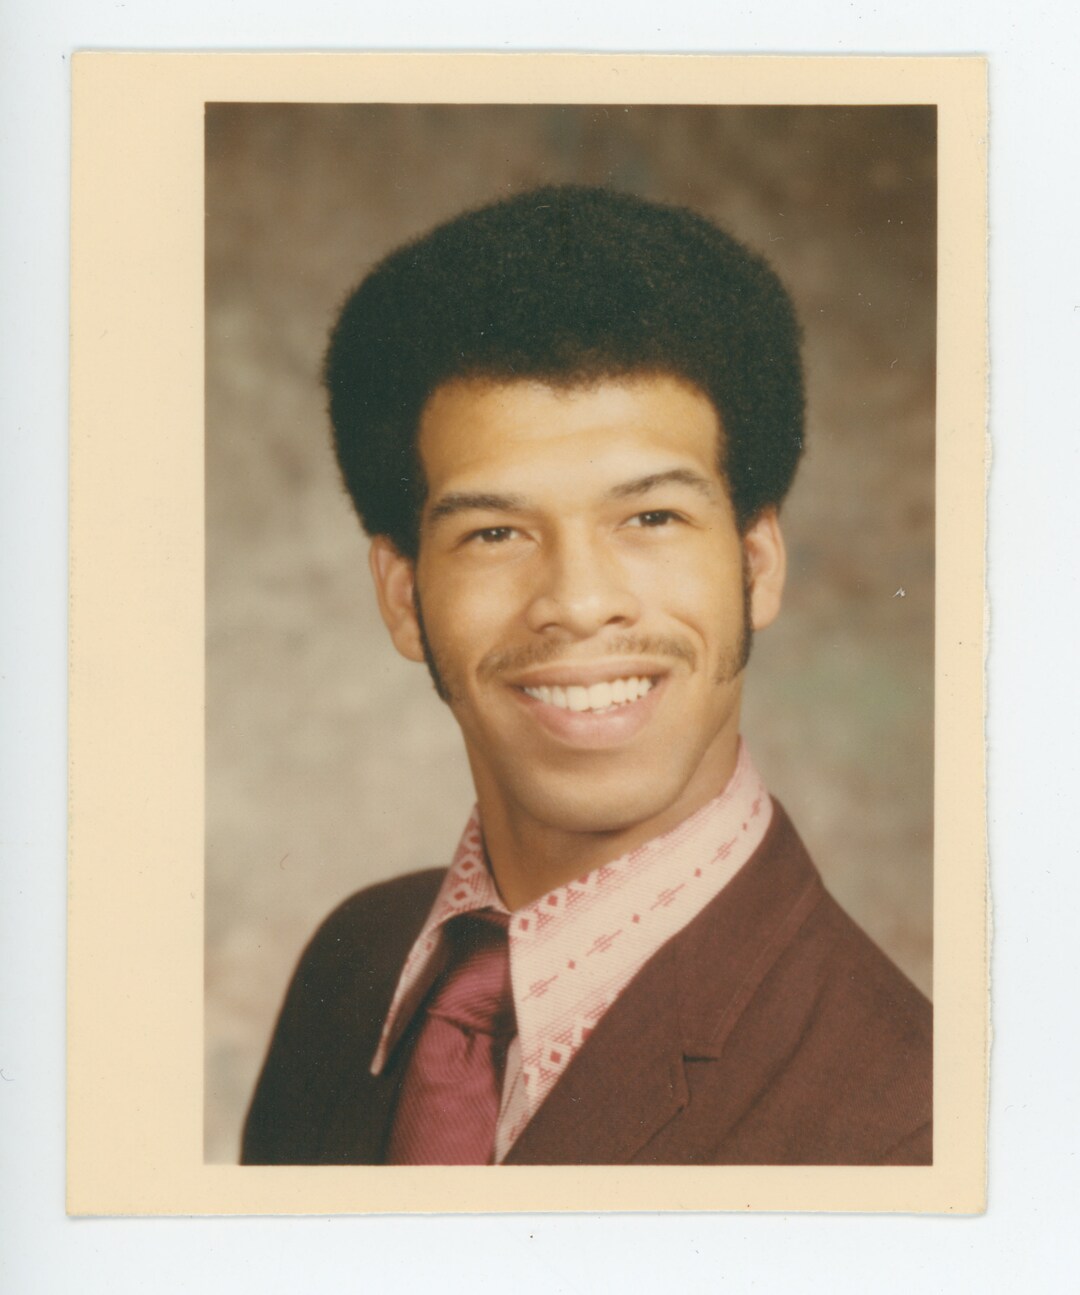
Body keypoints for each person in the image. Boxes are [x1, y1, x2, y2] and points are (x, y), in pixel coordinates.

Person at [241, 185, 932, 1167]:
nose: (576, 599)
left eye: (650, 518)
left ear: (758, 564)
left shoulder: (911, 1123)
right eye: (495, 532)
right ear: (404, 597)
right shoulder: (352, 967)